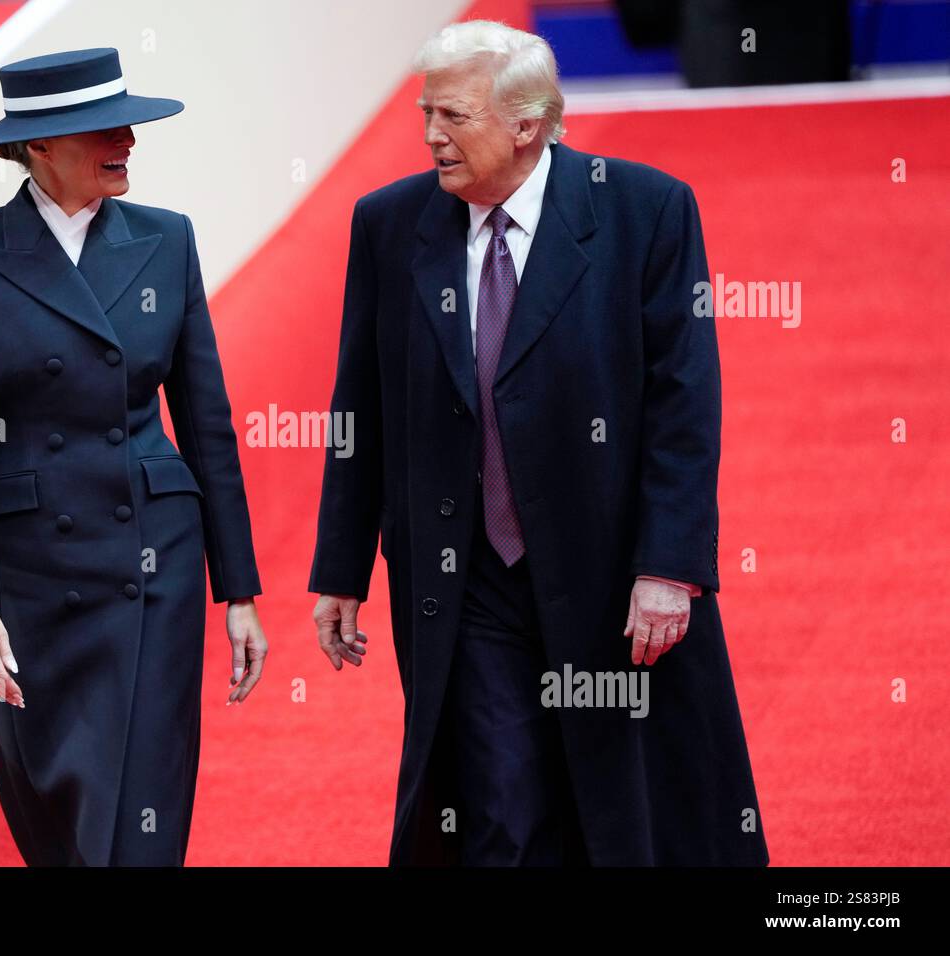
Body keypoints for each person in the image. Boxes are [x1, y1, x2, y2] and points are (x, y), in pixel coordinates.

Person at [309, 20, 769, 866]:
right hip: (467, 578)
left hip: (611, 575)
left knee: (627, 809)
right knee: (498, 811)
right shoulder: (389, 224)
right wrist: (341, 569)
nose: (429, 135)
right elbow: (357, 409)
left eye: (452, 114)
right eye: (425, 112)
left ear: (527, 123)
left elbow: (683, 405)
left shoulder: (645, 211)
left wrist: (669, 567)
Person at [0, 49, 267, 866]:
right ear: (38, 147)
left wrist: (240, 588)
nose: (127, 143)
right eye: (102, 130)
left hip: (154, 561)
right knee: (63, 814)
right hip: (30, 578)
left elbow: (208, 424)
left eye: (128, 126)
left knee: (141, 809)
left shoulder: (166, 239)